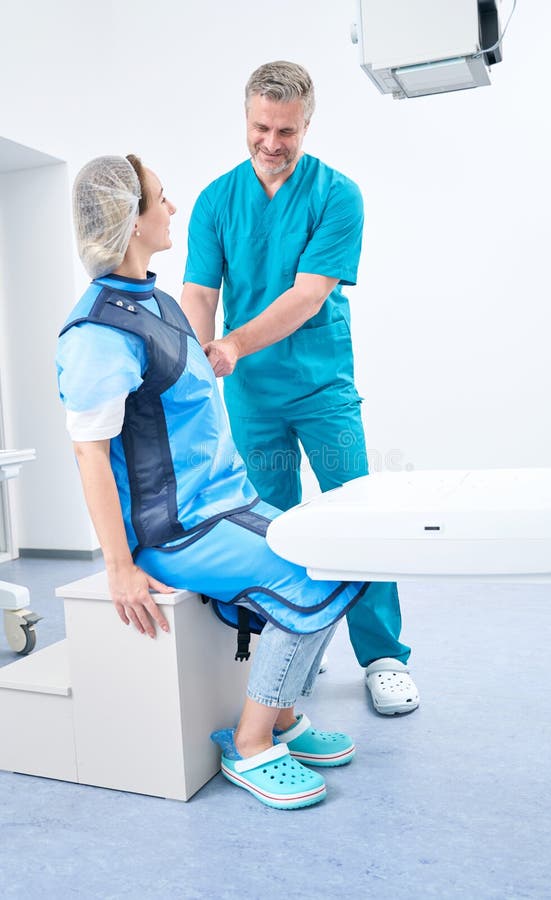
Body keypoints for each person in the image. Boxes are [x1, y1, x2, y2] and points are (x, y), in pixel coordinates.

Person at [56, 154, 370, 810]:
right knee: (315, 577)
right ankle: (250, 743)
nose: (172, 208)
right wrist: (119, 568)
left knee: (345, 553)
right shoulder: (99, 331)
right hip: (178, 529)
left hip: (226, 503)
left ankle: (282, 716)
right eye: (161, 198)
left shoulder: (157, 302)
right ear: (131, 221)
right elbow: (89, 453)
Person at [181, 60, 419, 716]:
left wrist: (232, 344)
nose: (272, 142)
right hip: (251, 393)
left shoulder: (337, 195)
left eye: (286, 130)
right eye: (261, 127)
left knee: (357, 516)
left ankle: (384, 656)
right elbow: (199, 292)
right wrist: (195, 360)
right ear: (246, 118)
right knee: (270, 529)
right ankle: (291, 649)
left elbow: (309, 295)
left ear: (306, 125)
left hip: (322, 385)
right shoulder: (216, 201)